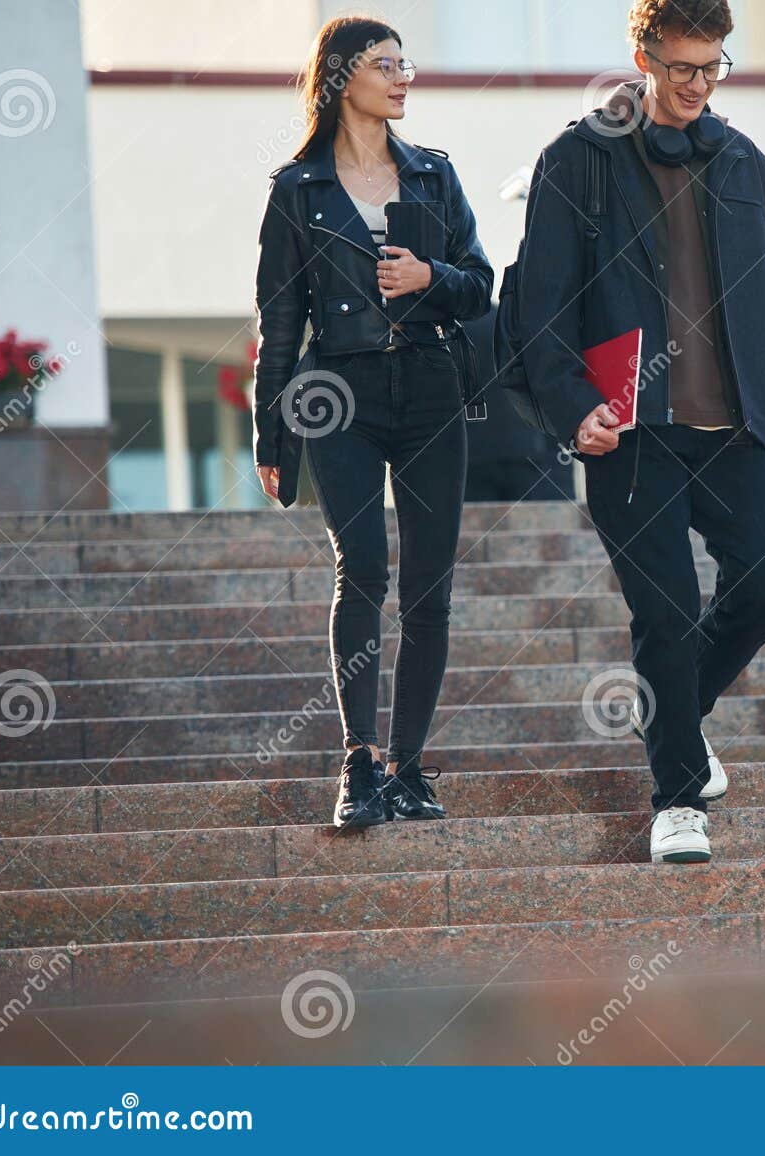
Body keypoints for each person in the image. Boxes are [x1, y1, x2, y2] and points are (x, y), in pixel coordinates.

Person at [518, 0, 765, 864]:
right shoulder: (578, 159)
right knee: (667, 610)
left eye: (713, 66)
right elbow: (540, 307)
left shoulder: (743, 161)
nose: (698, 84)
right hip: (630, 432)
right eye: (682, 67)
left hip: (730, 430)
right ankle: (677, 800)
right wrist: (573, 407)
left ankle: (671, 718)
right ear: (642, 56)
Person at [252, 16, 494, 828]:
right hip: (341, 398)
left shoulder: (433, 175)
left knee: (429, 584)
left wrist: (430, 276)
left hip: (430, 389)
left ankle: (410, 769)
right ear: (340, 77)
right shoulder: (298, 189)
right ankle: (359, 764)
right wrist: (270, 432)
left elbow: (481, 285)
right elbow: (279, 321)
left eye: (404, 64)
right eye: (384, 65)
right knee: (361, 570)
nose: (401, 78)